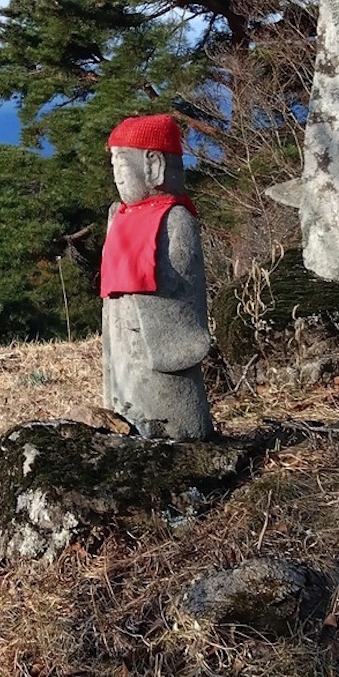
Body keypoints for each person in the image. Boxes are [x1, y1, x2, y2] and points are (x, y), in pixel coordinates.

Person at [100, 114, 214, 439]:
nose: (116, 178)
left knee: (170, 421)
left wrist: (145, 313)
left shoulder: (176, 219)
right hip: (123, 349)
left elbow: (184, 286)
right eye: (114, 168)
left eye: (121, 166)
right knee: (124, 406)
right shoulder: (118, 217)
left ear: (154, 166)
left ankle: (181, 432)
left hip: (158, 351)